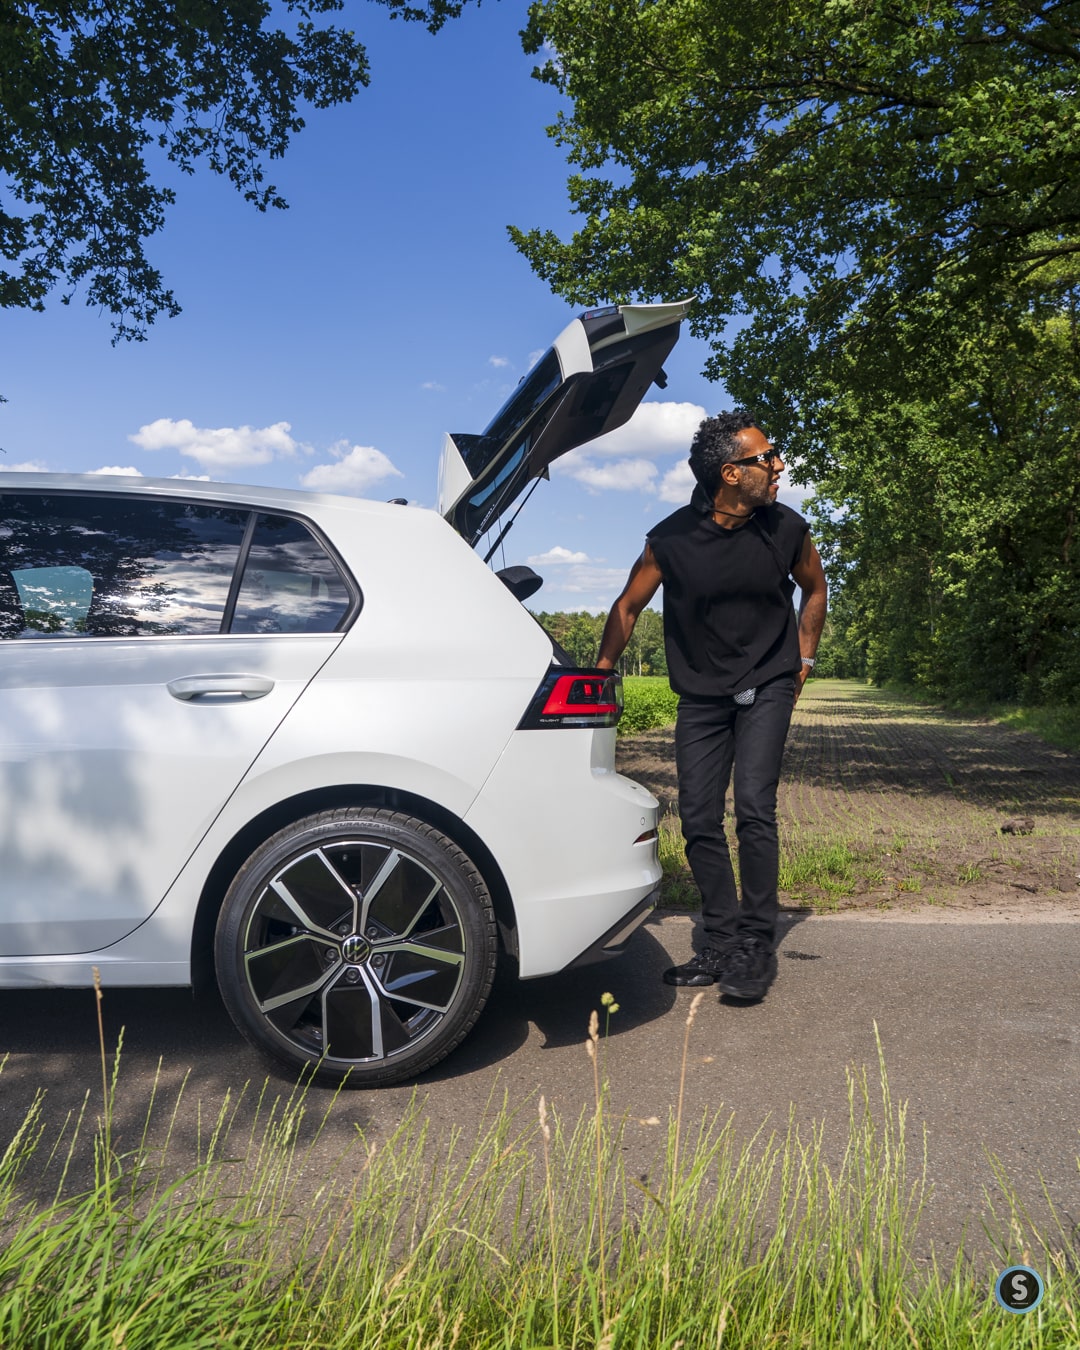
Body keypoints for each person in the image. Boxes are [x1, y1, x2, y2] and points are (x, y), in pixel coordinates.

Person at [596, 409, 827, 1000]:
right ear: (730, 473)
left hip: (770, 682)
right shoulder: (669, 540)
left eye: (773, 456)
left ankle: (754, 942)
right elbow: (627, 607)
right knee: (698, 816)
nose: (777, 466)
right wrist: (602, 672)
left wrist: (802, 661)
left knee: (753, 805)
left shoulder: (787, 529)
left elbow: (815, 588)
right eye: (764, 458)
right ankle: (719, 940)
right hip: (701, 693)